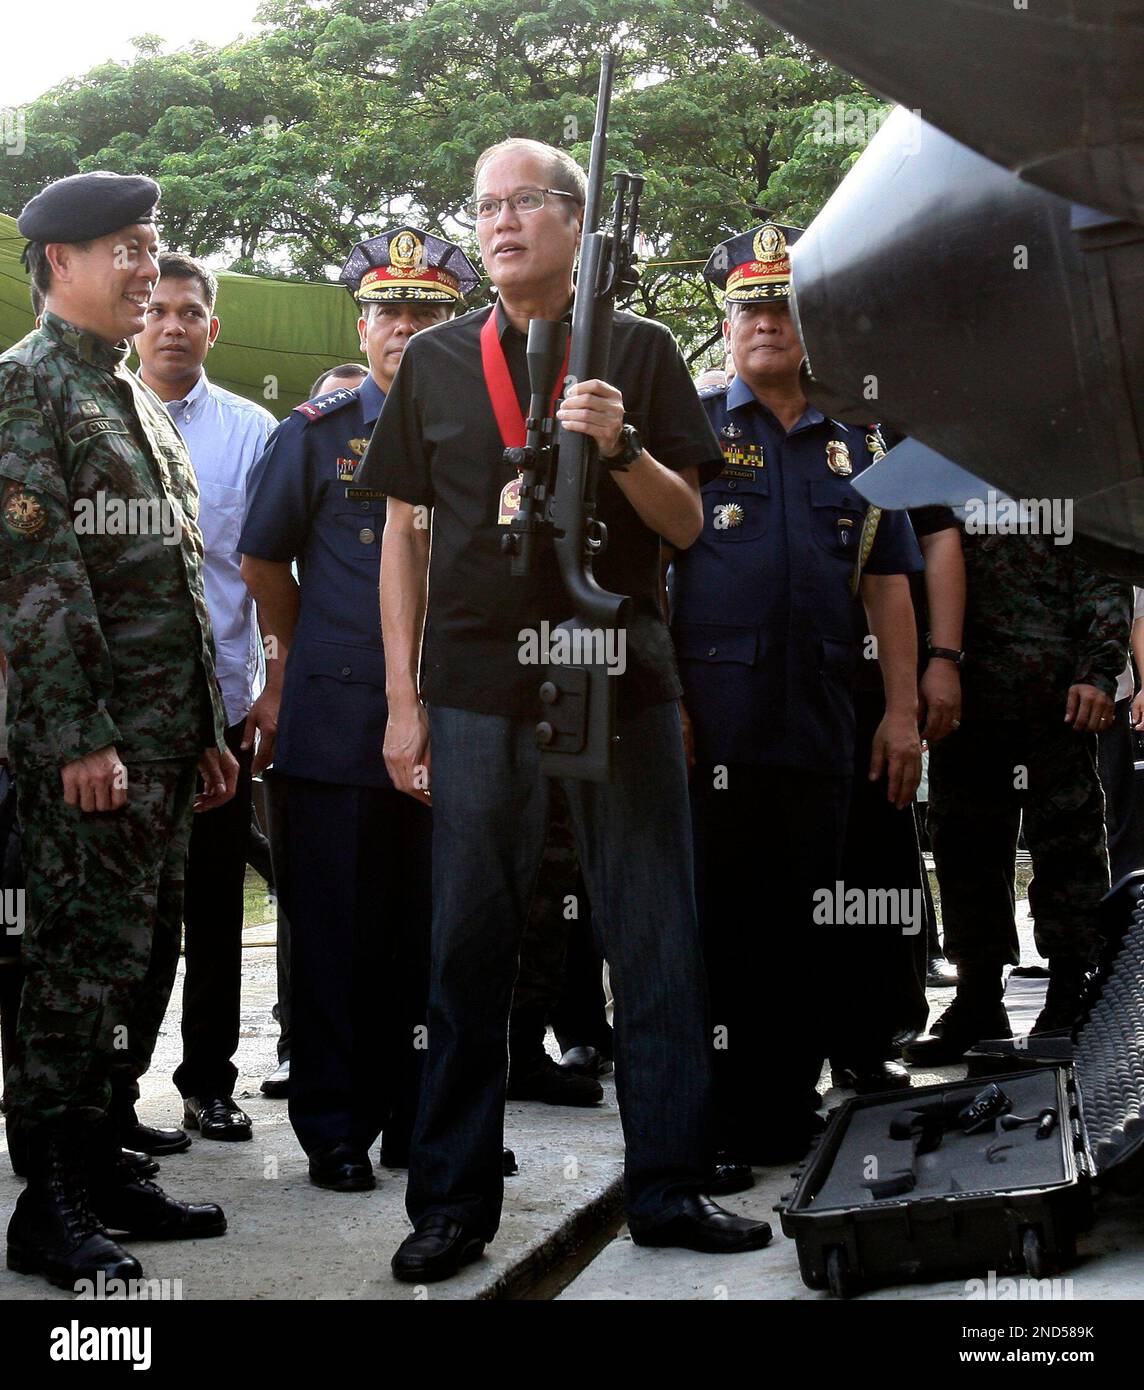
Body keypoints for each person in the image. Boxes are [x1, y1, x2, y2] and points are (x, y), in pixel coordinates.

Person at [356, 137, 773, 1283]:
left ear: (574, 222)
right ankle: (449, 1201)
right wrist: (403, 697)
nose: (498, 222)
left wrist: (622, 443)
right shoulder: (437, 359)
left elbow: (687, 526)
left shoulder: (636, 350)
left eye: (523, 202)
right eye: (484, 204)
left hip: (616, 673)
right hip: (479, 683)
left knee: (651, 929)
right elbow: (403, 531)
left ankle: (671, 1185)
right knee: (469, 944)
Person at [0, 171, 237, 1290]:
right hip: (88, 756)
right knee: (69, 972)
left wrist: (201, 726)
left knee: (140, 962)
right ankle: (45, 1201)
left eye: (154, 247)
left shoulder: (128, 393)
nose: (149, 269)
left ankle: (101, 1164)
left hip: (159, 747)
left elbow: (173, 575)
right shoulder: (26, 389)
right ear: (60, 263)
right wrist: (80, 739)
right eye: (127, 250)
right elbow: (37, 584)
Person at [671, 225, 924, 1182]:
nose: (765, 323)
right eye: (747, 308)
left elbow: (891, 583)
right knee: (717, 927)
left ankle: (786, 1107)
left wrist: (901, 712)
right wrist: (669, 707)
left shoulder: (861, 443)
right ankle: (716, 1121)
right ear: (726, 324)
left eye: (782, 306)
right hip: (713, 724)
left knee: (807, 921)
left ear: (809, 326)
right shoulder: (687, 428)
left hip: (819, 722)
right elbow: (649, 575)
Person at [239, 227, 479, 1192]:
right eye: (390, 312)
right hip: (336, 724)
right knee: (336, 933)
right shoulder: (316, 433)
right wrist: (313, 653)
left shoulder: (484, 434)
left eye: (427, 313)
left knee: (436, 930)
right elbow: (262, 561)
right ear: (363, 322)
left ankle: (423, 1121)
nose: (406, 330)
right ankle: (336, 1127)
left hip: (458, 715)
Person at [133, 252, 278, 1144]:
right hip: (120, 717)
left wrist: (269, 689)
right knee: (128, 910)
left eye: (191, 311)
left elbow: (270, 572)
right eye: (158, 310)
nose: (174, 325)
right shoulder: (97, 420)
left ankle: (209, 1082)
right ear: (135, 321)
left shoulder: (252, 433)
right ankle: (115, 1094)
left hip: (221, 706)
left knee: (216, 902)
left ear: (213, 327)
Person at [905, 529, 1132, 1062]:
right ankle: (978, 996)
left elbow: (1106, 564)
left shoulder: (1061, 468)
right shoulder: (946, 469)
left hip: (1055, 698)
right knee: (963, 848)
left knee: (1067, 846)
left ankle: (1072, 996)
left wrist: (1099, 670)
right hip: (965, 697)